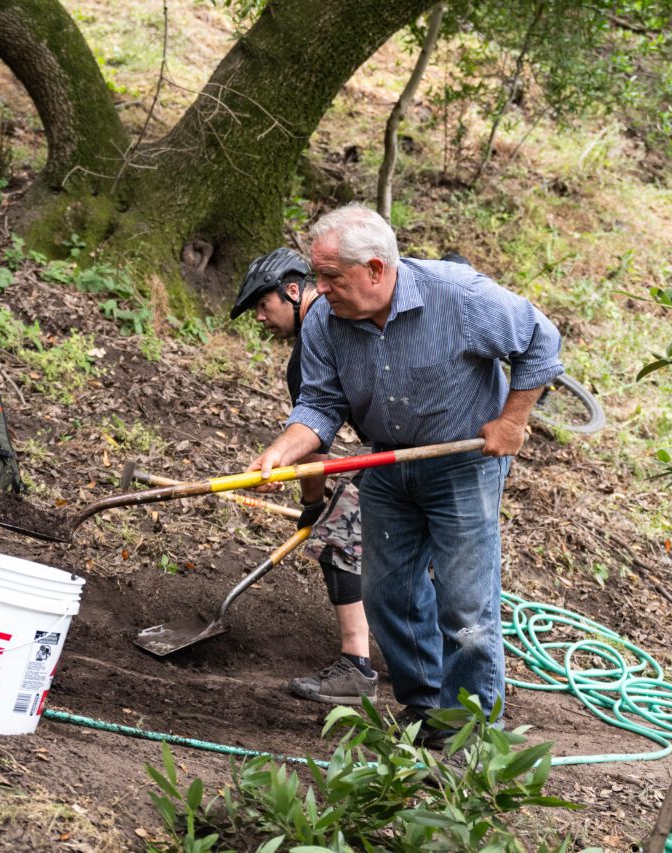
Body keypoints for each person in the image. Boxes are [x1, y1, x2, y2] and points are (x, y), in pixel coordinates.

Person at [247, 204, 563, 743]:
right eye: (316, 276)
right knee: (388, 595)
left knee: (466, 606)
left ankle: (471, 735)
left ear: (375, 269)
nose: (318, 291)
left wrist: (512, 420)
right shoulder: (326, 321)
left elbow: (540, 341)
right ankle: (424, 711)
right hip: (389, 463)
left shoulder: (459, 296)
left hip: (462, 466)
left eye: (330, 277)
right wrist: (282, 450)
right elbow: (322, 404)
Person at [230, 248, 377, 705]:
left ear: (293, 291)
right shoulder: (357, 312)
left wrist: (313, 508)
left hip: (405, 451)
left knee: (336, 538)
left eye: (262, 304)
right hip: (421, 444)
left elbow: (314, 442)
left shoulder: (311, 348)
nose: (259, 317)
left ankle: (357, 666)